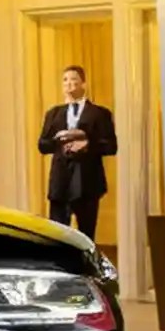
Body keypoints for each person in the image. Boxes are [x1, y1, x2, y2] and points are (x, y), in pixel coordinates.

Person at [37, 65, 118, 240]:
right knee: (57, 235)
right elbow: (43, 145)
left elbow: (111, 146)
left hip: (87, 182)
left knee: (86, 236)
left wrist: (86, 145)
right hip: (60, 183)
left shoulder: (99, 113)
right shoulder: (54, 114)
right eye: (65, 80)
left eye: (74, 79)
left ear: (83, 84)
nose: (69, 84)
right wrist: (59, 141)